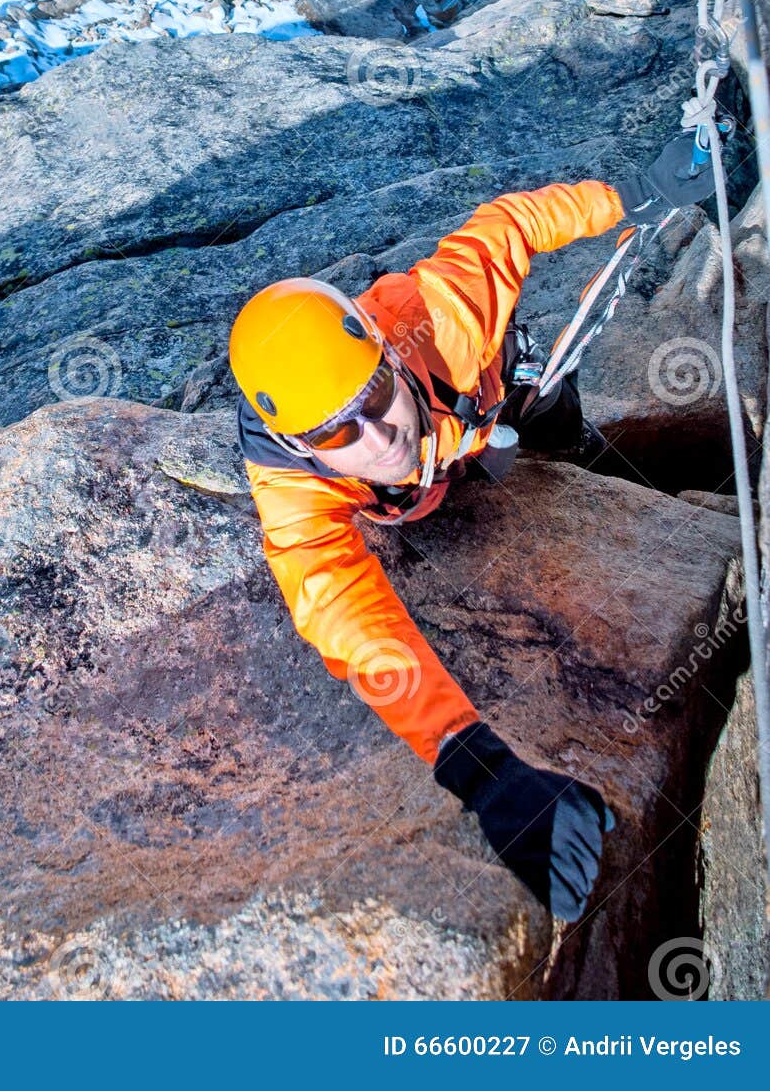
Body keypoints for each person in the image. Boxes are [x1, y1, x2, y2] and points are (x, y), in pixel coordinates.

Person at [227, 140, 715, 922]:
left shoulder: (438, 316)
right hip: (445, 459)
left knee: (552, 419)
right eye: (335, 433)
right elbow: (343, 612)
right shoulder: (294, 488)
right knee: (458, 461)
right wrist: (478, 768)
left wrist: (631, 193)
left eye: (374, 395)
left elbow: (510, 223)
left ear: (388, 357)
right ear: (299, 446)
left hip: (490, 397)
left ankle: (565, 441)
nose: (377, 436)